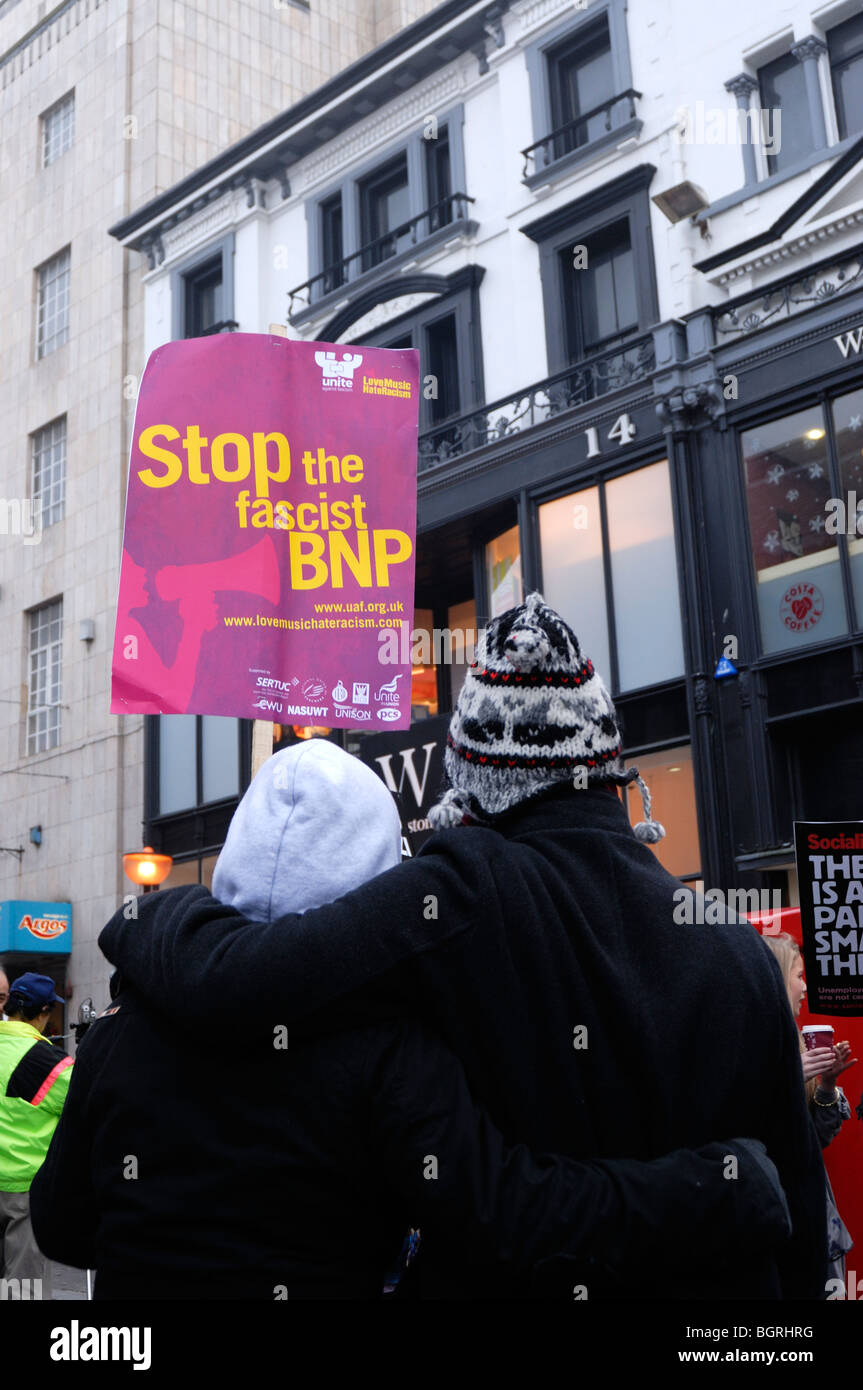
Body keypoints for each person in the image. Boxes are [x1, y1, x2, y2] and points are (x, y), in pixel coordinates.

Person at [95, 593, 828, 1299]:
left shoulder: (462, 892)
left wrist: (147, 918)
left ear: (470, 781)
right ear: (610, 768)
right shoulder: (733, 948)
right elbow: (794, 1228)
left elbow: (239, 980)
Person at [763, 931, 857, 1290]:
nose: (805, 989)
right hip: (775, 1227)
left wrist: (828, 1085)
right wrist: (786, 1078)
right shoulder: (746, 1046)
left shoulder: (798, 1040)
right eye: (799, 976)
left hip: (818, 1225)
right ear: (776, 975)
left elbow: (817, 1139)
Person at [0, 973, 72, 1299]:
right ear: (43, 1012)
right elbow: (93, 1102)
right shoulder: (46, 1062)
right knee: (23, 1288)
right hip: (24, 1191)